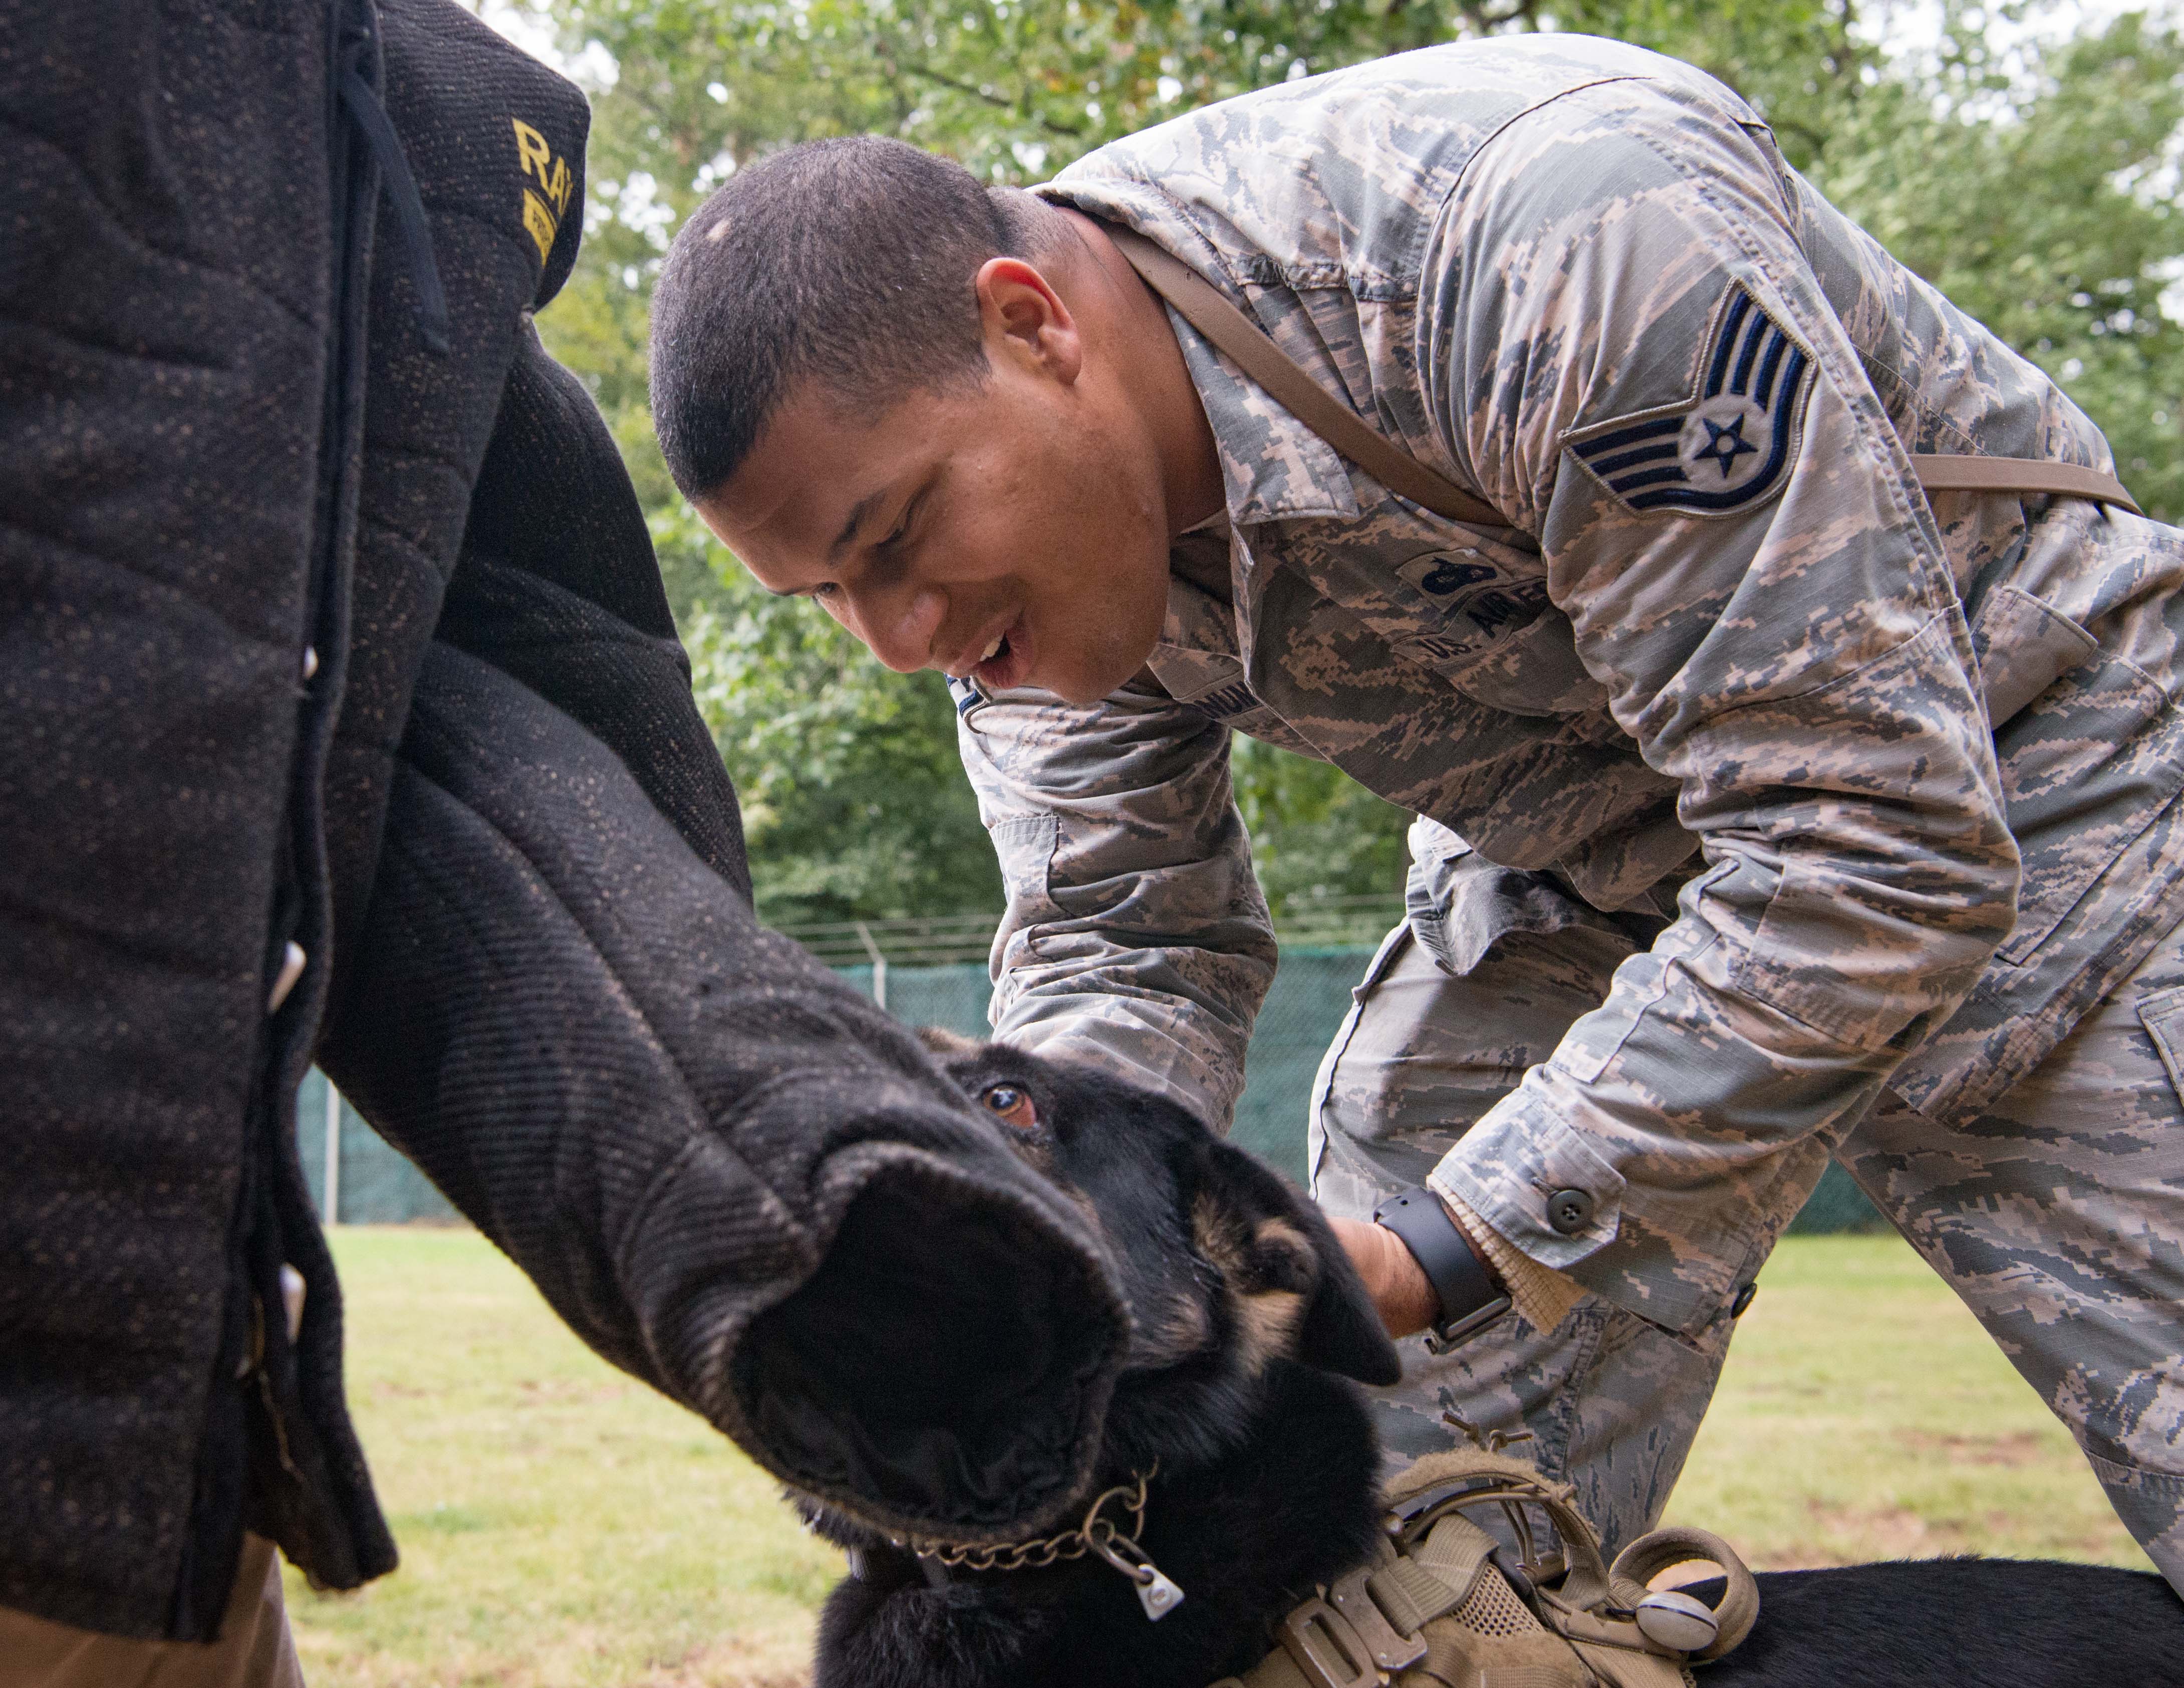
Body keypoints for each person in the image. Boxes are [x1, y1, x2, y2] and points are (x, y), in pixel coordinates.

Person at [649, 32, 2184, 1592]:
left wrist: (1442, 1248)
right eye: (831, 594)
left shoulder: (1550, 235)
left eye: (897, 534)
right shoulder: (1023, 573)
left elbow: (1870, 841)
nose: (898, 638)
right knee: (1348, 1529)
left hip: (2046, 792)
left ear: (1030, 324)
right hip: (1583, 880)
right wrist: (1028, 1237)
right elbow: (1126, 946)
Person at [0, 0, 1131, 1680]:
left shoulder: (427, 125)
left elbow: (535, 717)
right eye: (840, 581)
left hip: (138, 1405)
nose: (894, 643)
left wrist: (820, 1212)